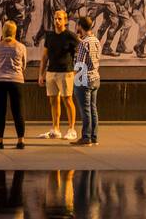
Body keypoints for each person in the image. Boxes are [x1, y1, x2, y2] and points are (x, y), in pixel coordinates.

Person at [37, 8, 78, 140]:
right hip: (51, 72)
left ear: (65, 21)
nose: (57, 21)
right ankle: (56, 128)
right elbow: (44, 56)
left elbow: (81, 53)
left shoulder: (70, 36)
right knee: (53, 101)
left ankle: (72, 129)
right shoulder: (49, 36)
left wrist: (76, 70)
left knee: (68, 99)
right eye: (55, 18)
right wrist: (41, 74)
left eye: (60, 18)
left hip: (66, 72)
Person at [0, 20, 26, 150]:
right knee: (18, 111)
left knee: (0, 111)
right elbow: (24, 64)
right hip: (16, 81)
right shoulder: (21, 47)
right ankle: (20, 141)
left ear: (3, 32)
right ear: (15, 32)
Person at [72, 14, 101, 146]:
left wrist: (74, 78)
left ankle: (86, 137)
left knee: (85, 110)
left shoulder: (84, 43)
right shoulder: (95, 40)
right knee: (93, 108)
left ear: (80, 26)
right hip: (95, 77)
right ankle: (94, 137)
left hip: (84, 79)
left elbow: (80, 64)